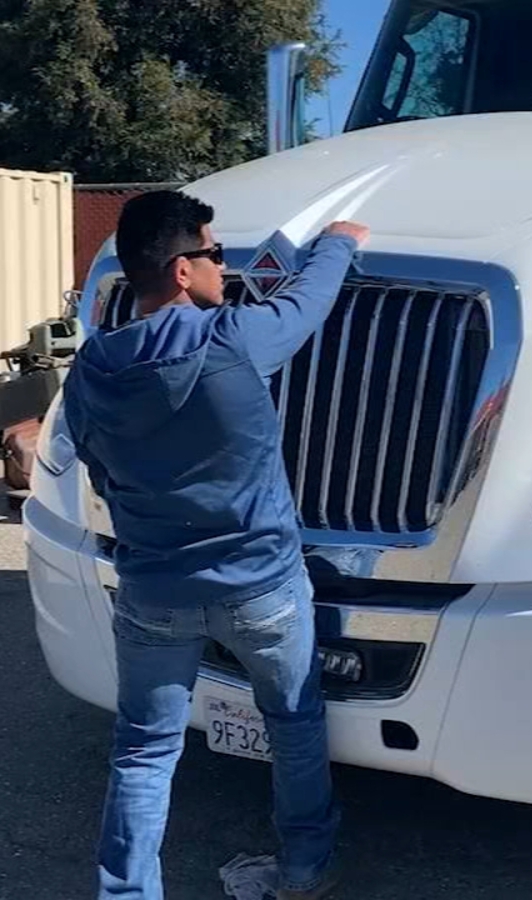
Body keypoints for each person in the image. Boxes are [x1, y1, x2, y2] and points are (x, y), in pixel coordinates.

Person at [61, 188, 369, 900]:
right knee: (292, 722)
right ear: (181, 270)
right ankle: (305, 866)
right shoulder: (232, 340)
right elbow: (308, 303)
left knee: (144, 750)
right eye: (215, 253)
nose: (223, 267)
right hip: (262, 587)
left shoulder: (93, 367)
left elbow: (97, 467)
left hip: (154, 592)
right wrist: (340, 240)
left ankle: (127, 893)